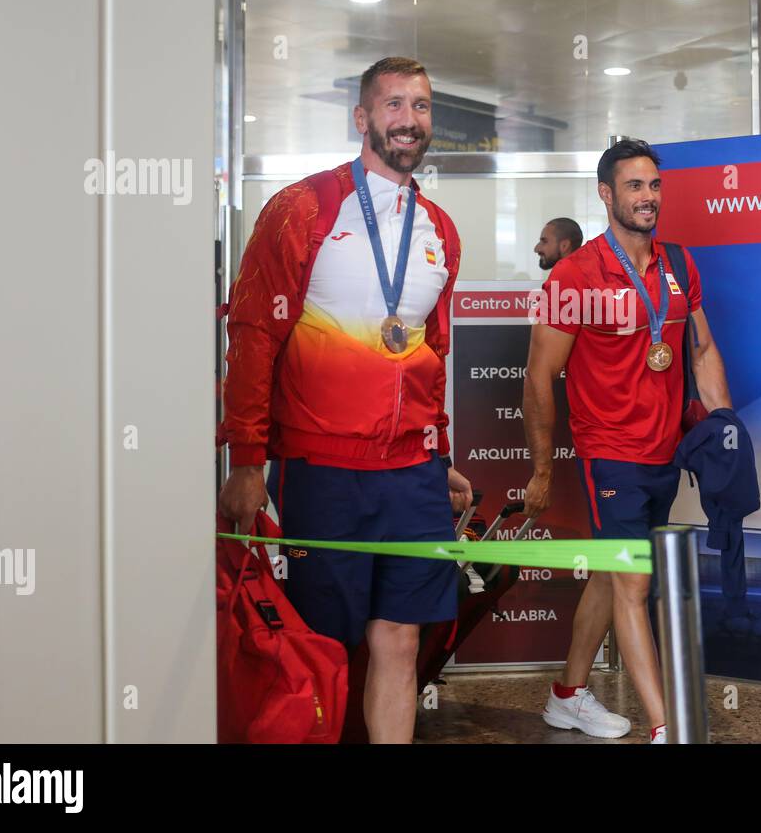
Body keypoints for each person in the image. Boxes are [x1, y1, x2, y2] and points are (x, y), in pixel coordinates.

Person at [218, 56, 472, 744]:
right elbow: (253, 336)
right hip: (322, 469)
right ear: (362, 118)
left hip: (412, 478)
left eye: (420, 107)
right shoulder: (302, 209)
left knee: (400, 638)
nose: (409, 121)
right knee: (322, 643)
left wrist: (438, 452)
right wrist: (247, 461)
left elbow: (430, 354)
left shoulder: (440, 231)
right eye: (393, 106)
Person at [521, 138, 733, 743]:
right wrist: (541, 469)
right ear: (606, 195)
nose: (648, 197)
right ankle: (669, 726)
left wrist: (723, 425)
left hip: (665, 449)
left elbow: (701, 347)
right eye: (635, 186)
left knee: (610, 578)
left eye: (654, 185)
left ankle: (567, 695)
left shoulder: (679, 263)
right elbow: (539, 375)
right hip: (610, 451)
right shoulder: (576, 273)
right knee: (634, 582)